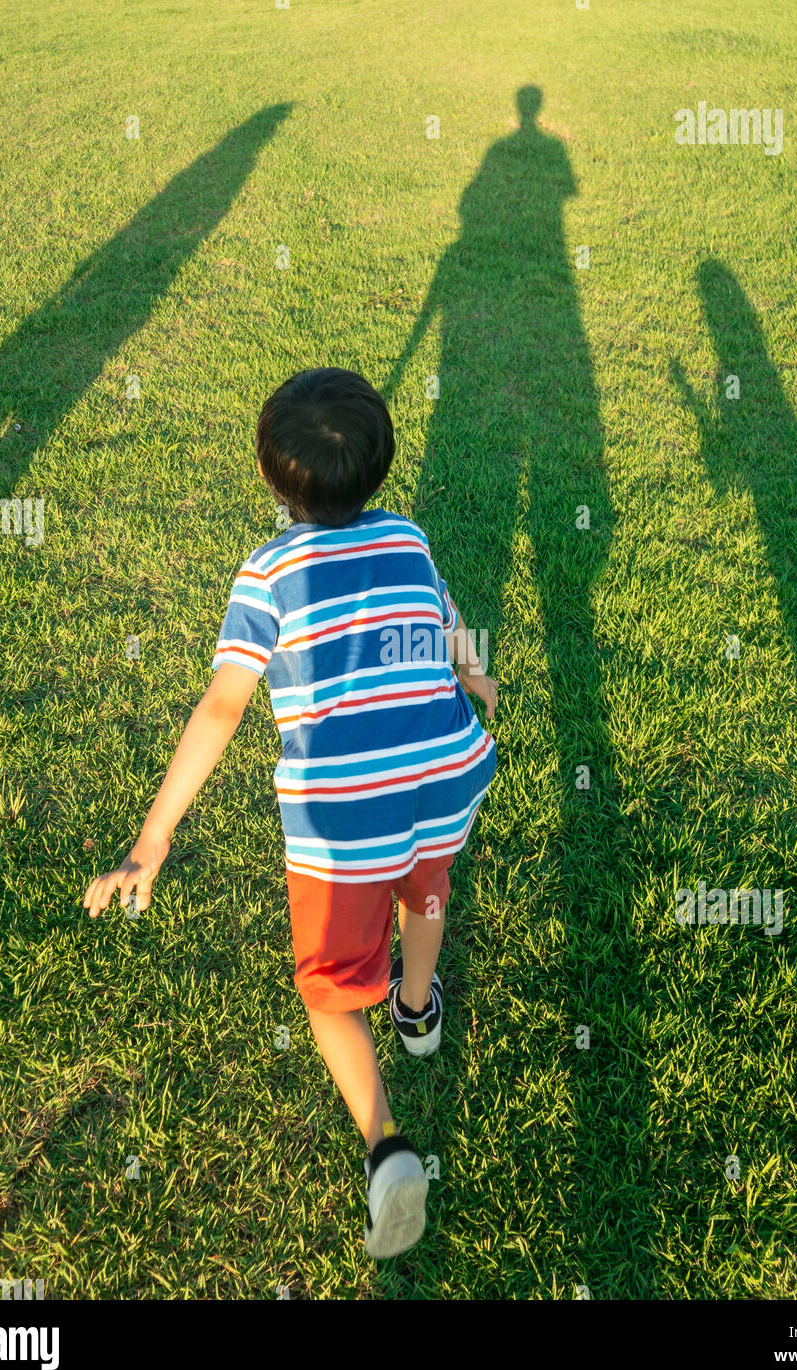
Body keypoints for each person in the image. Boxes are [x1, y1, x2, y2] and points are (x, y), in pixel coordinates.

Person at [83, 366, 497, 1258]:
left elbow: (223, 707)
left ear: (272, 480)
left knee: (325, 989)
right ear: (380, 470)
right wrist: (472, 675)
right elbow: (449, 623)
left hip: (345, 815)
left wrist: (151, 841)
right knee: (428, 885)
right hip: (445, 771)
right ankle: (418, 1009)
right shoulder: (411, 539)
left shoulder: (268, 572)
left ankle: (386, 1148)